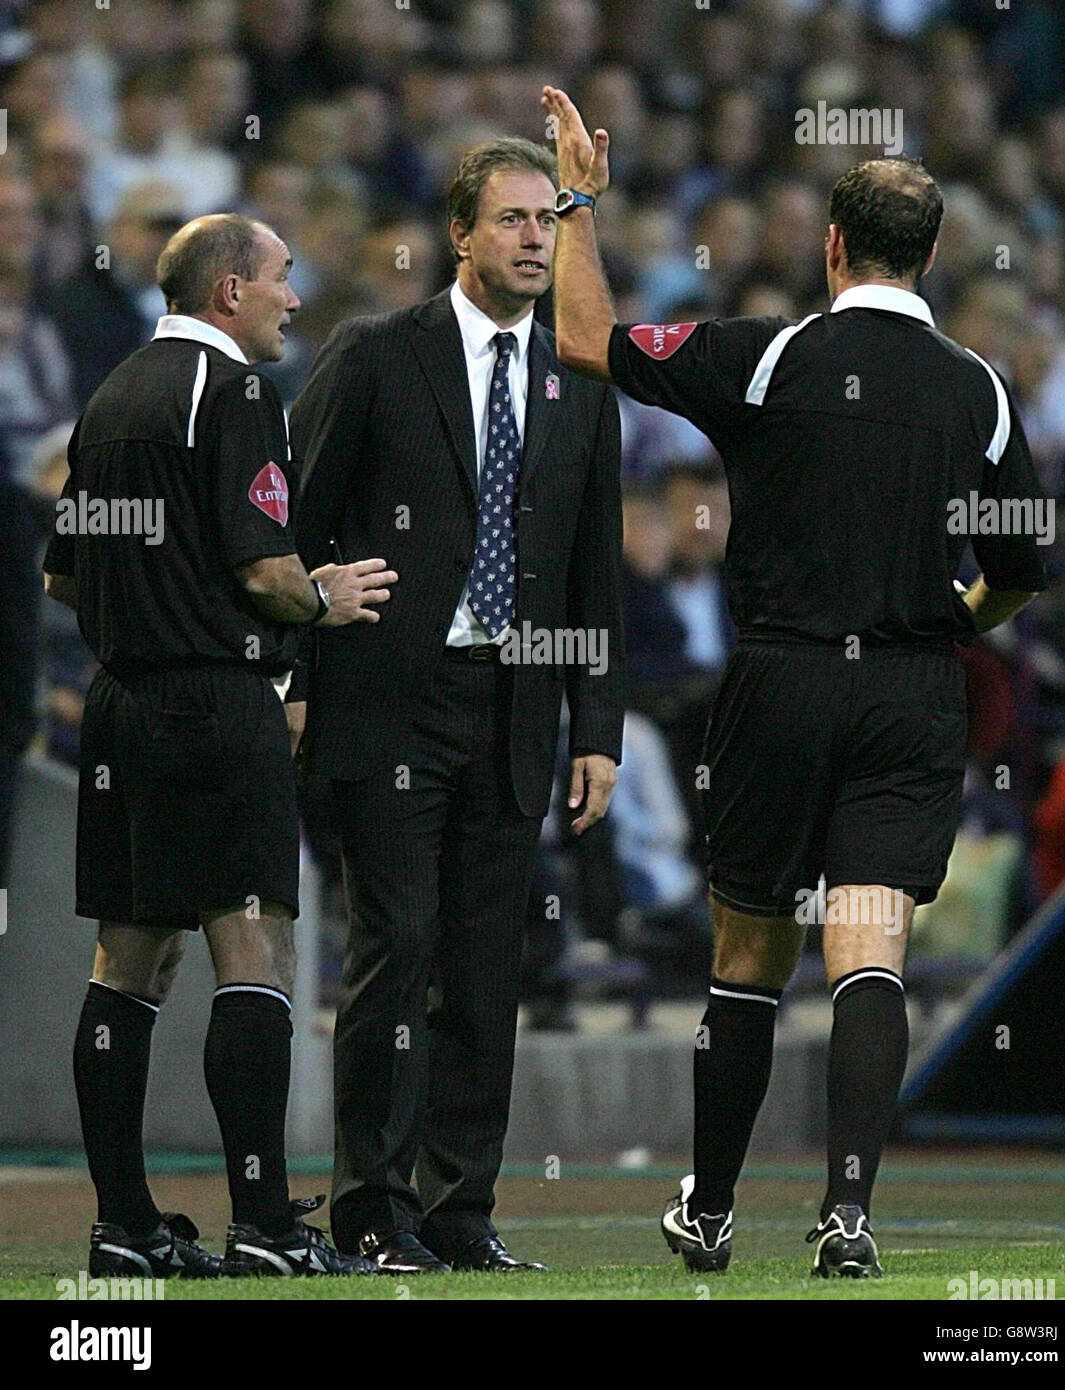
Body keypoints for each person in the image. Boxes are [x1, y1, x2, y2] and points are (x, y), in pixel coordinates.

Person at [541, 86, 1048, 1277]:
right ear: (929, 259)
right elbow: (1022, 562)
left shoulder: (767, 353)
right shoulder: (976, 385)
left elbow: (582, 340)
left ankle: (710, 1208)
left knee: (750, 955)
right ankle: (849, 1213)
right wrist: (958, 615)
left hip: (779, 682)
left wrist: (576, 202)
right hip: (910, 687)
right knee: (869, 948)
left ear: (830, 246)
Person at [287, 136, 625, 1274]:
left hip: (518, 703)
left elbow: (595, 571)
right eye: (517, 220)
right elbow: (294, 527)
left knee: (487, 963)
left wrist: (602, 732)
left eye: (550, 220)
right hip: (390, 695)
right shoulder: (377, 352)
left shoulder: (579, 381)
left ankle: (459, 1207)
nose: (537, 239)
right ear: (461, 234)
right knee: (398, 944)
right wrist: (298, 647)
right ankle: (371, 1207)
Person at [42, 212, 397, 1279]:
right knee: (255, 949)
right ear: (230, 289)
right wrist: (321, 598)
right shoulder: (235, 392)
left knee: (129, 965)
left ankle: (124, 1224)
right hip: (215, 697)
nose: (296, 299)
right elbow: (264, 568)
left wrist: (153, 601)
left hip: (119, 705)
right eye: (284, 279)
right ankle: (264, 1222)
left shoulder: (111, 398)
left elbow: (64, 570)